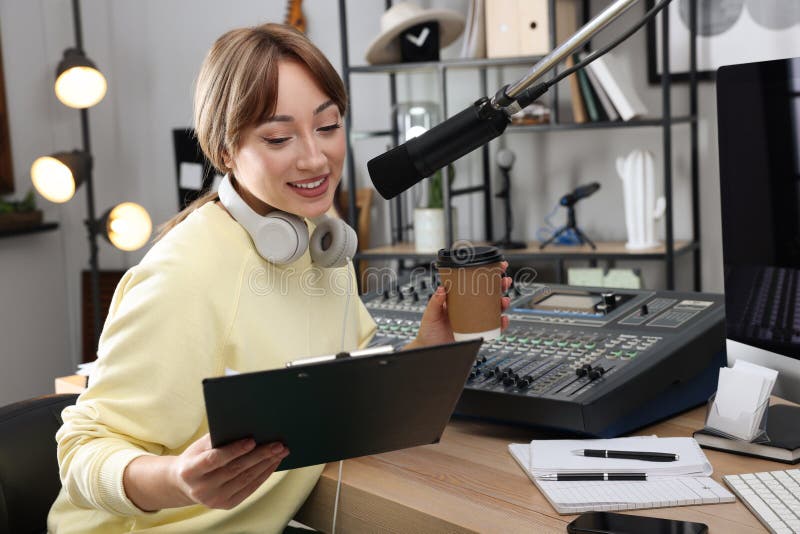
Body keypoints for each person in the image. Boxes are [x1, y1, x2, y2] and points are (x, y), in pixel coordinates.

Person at [48, 23, 511, 533]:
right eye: (278, 136)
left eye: (328, 126)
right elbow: (81, 452)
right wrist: (178, 479)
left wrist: (429, 350)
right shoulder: (184, 275)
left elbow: (340, 391)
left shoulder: (320, 242)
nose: (315, 158)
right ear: (225, 152)